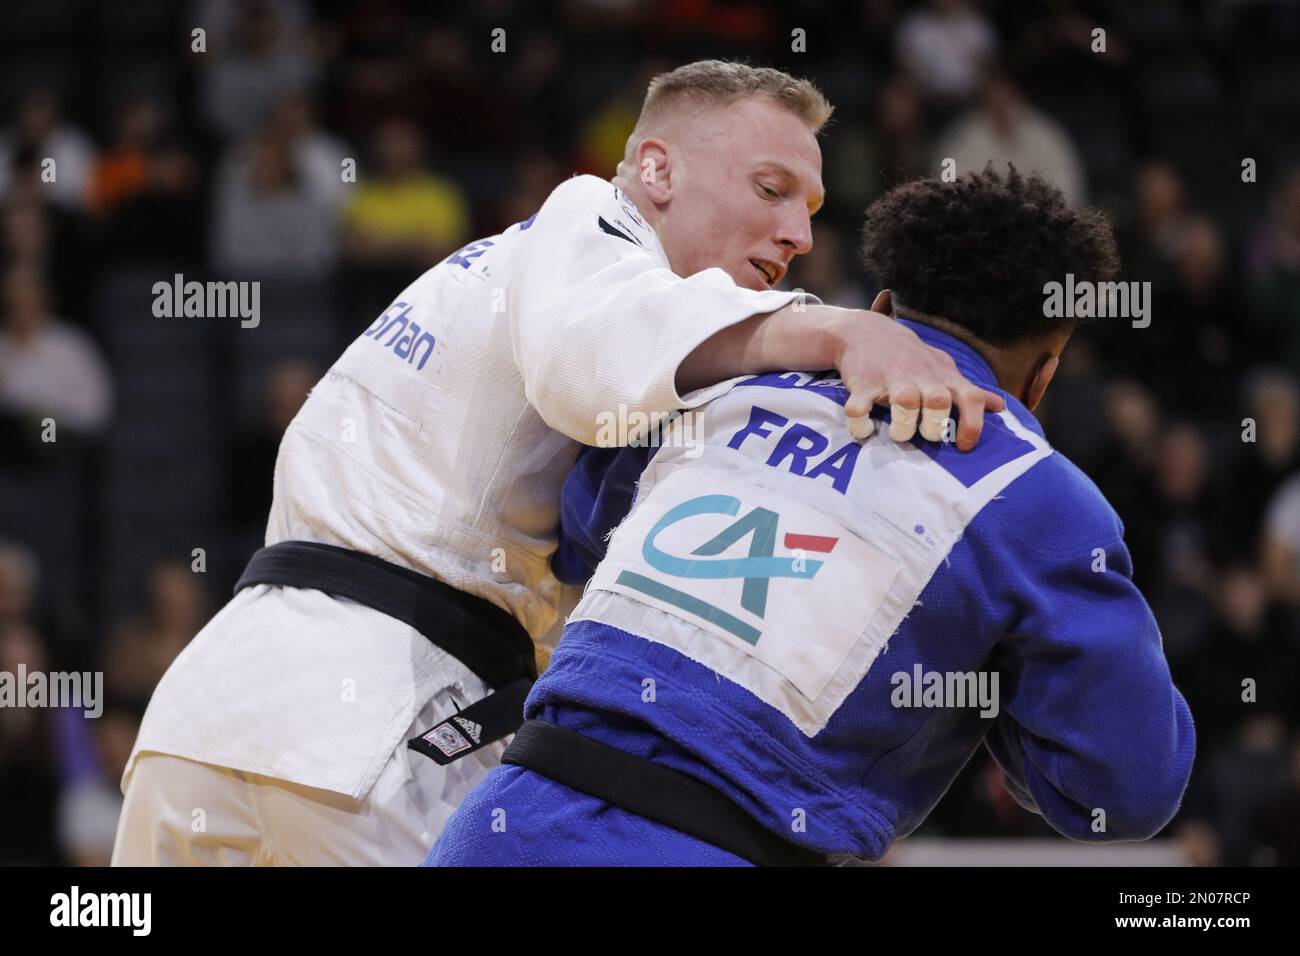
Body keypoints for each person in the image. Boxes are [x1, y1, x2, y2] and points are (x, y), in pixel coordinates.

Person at [113, 60, 1001, 866]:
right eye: (771, 190)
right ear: (654, 170)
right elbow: (592, 371)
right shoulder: (590, 223)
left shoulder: (511, 271)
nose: (798, 234)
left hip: (206, 722)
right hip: (367, 740)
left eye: (809, 208)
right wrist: (846, 327)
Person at [425, 167, 1196, 867]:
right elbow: (1125, 789)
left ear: (884, 307)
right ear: (1044, 376)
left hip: (507, 815)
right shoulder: (1038, 497)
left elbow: (586, 528)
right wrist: (989, 681)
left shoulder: (727, 378)